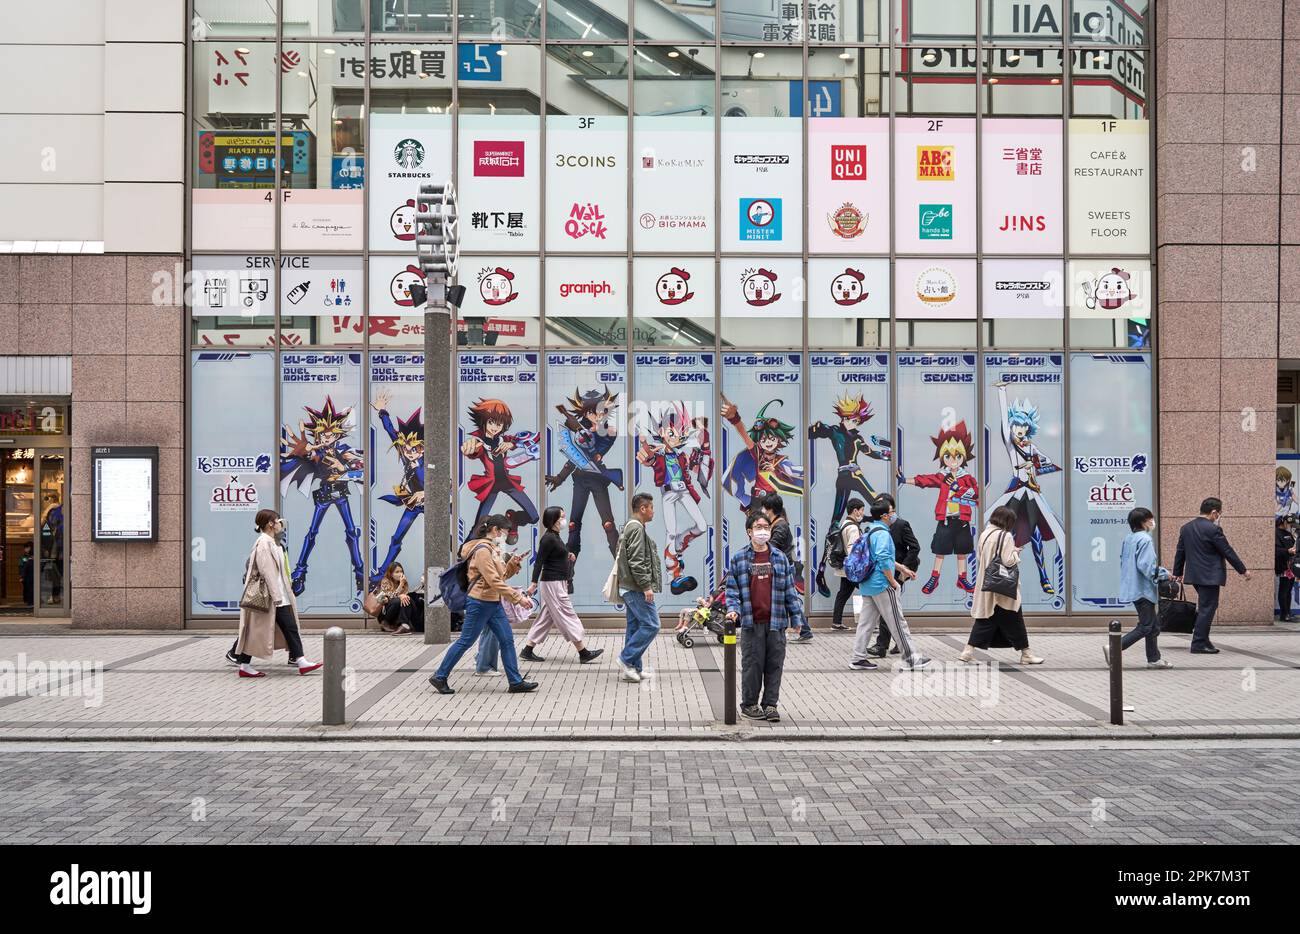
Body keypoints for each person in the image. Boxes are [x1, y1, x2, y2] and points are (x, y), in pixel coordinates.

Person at [428, 515, 538, 694]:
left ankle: (515, 682)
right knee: (465, 641)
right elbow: (493, 580)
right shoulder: (482, 551)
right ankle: (440, 676)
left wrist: (512, 564)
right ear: (495, 530)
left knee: (507, 640)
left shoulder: (492, 549)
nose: (505, 536)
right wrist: (518, 598)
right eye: (504, 532)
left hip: (493, 603)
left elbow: (500, 576)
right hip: (479, 603)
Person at [726, 511, 803, 722]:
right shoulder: (739, 558)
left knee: (774, 665)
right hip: (752, 622)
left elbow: (790, 590)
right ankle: (749, 705)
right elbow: (732, 590)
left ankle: (770, 705)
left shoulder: (779, 558)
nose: (763, 531)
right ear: (749, 532)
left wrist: (796, 618)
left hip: (776, 621)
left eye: (766, 527)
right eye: (759, 527)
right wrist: (733, 610)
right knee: (752, 665)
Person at [229, 509, 322, 678]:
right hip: (272, 597)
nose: (281, 524)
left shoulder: (272, 542)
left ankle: (246, 665)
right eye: (278, 521)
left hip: (277, 595)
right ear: (270, 524)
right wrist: (277, 596)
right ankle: (300, 661)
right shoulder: (264, 543)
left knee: (267, 629)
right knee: (282, 628)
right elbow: (267, 572)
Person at [849, 499, 932, 671]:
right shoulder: (884, 534)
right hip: (882, 584)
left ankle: (858, 658)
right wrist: (893, 581)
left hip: (868, 585)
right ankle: (910, 658)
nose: (894, 514)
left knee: (866, 623)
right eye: (892, 512)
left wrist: (903, 568)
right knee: (898, 622)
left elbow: (881, 556)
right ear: (885, 515)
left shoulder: (871, 530)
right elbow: (883, 559)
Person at [959, 505, 1045, 666]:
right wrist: (1015, 553)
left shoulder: (985, 534)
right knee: (1015, 618)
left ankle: (967, 651)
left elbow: (979, 556)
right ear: (1007, 521)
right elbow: (1008, 561)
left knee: (986, 620)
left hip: (987, 584)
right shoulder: (1005, 536)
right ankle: (1026, 654)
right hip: (1003, 588)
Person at [518, 506, 604, 664]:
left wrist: (568, 555)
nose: (564, 520)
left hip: (558, 582)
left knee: (546, 617)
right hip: (552, 583)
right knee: (567, 613)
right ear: (553, 520)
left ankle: (527, 650)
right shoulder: (548, 538)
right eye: (561, 517)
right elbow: (539, 563)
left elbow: (557, 555)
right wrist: (533, 584)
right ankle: (583, 652)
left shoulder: (555, 536)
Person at [1173, 497, 1250, 654]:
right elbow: (1227, 551)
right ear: (1214, 512)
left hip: (1194, 575)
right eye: (1219, 513)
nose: (1218, 516)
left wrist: (1178, 572)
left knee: (1206, 607)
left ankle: (1204, 639)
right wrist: (1243, 570)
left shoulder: (1186, 527)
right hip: (1210, 575)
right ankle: (1198, 643)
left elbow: (1180, 551)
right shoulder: (1213, 529)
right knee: (1208, 608)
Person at [1107, 506, 1172, 669]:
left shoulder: (1130, 538)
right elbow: (1146, 566)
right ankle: (1115, 647)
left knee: (1153, 625)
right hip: (1144, 589)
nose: (1152, 521)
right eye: (1149, 519)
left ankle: (1154, 659)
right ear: (1143, 522)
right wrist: (1165, 574)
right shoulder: (1145, 539)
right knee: (1147, 626)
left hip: (1133, 587)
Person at [615, 493, 662, 683]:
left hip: (629, 586)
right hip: (635, 587)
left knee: (634, 627)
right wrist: (646, 586)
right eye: (651, 507)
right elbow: (636, 560)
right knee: (652, 624)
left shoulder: (631, 526)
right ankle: (626, 659)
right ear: (643, 508)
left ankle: (633, 668)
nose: (653, 511)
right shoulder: (636, 528)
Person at [866, 492, 920, 657]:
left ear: (891, 509)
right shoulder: (877, 528)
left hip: (896, 573)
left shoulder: (901, 524)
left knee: (891, 611)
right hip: (883, 572)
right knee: (890, 611)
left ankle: (883, 645)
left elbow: (915, 547)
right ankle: (896, 643)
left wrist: (904, 569)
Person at [762, 492, 811, 641]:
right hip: (781, 567)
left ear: (769, 509)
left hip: (783, 568)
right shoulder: (777, 523)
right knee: (788, 599)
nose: (763, 511)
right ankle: (804, 630)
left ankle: (804, 630)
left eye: (764, 508)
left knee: (789, 599)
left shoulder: (780, 526)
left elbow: (773, 546)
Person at [829, 499, 866, 631]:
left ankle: (836, 622)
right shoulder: (853, 528)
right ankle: (868, 623)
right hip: (853, 568)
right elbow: (853, 549)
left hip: (845, 567)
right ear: (855, 511)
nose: (863, 513)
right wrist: (859, 567)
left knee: (843, 594)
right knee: (869, 592)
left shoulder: (844, 524)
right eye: (862, 510)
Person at [374, 562, 425, 634]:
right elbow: (388, 598)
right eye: (397, 572)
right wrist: (400, 587)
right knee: (398, 601)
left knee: (407, 599)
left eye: (401, 571)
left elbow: (405, 599)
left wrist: (404, 594)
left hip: (398, 613)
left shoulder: (404, 582)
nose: (400, 574)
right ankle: (385, 623)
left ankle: (404, 625)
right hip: (385, 612)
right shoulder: (385, 581)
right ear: (391, 574)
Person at [1275, 514, 1296, 623]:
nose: (1290, 525)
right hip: (1283, 566)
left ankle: (1288, 612)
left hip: (1291, 566)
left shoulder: (1288, 534)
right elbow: (1276, 550)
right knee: (1284, 590)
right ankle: (1284, 614)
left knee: (1289, 590)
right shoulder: (1275, 533)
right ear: (1283, 522)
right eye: (1289, 523)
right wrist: (1287, 551)